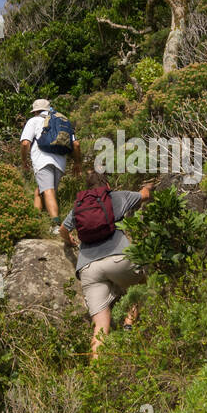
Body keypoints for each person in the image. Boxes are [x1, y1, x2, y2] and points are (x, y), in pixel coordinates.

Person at [60, 170, 155, 358]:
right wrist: (149, 186)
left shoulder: (79, 205)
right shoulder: (117, 197)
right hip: (118, 258)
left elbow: (63, 229)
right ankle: (129, 322)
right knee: (142, 284)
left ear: (87, 188)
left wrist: (70, 240)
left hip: (88, 267)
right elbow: (144, 195)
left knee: (100, 328)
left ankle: (95, 378)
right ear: (107, 186)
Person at [20, 98, 80, 231]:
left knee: (47, 190)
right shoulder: (62, 121)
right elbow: (76, 144)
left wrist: (24, 161)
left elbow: (25, 143)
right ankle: (36, 219)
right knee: (41, 189)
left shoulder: (34, 121)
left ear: (35, 111)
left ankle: (56, 225)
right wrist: (77, 163)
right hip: (60, 161)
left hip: (42, 160)